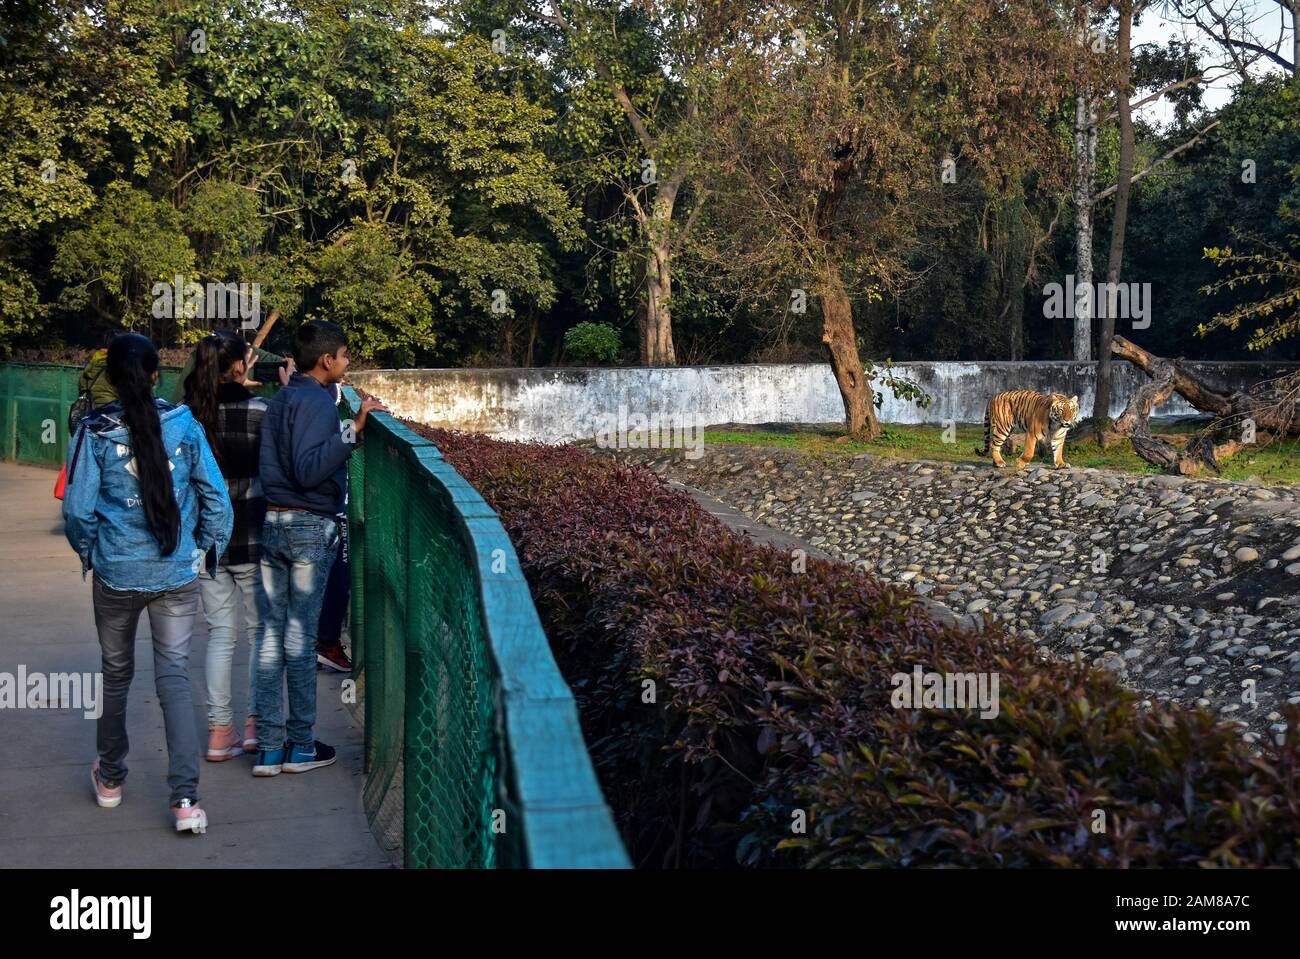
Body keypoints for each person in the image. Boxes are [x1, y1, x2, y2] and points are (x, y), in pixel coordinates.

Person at [62, 333, 233, 834]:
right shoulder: (185, 424)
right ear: (157, 373)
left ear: (111, 377)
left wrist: (91, 553)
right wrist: (202, 547)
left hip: (116, 575)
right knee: (174, 679)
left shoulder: (92, 432)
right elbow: (216, 499)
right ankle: (185, 801)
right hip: (176, 574)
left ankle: (111, 779)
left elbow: (77, 511)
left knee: (115, 676)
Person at [253, 320, 385, 776]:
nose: (348, 365)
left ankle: (270, 747)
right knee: (300, 639)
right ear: (328, 360)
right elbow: (309, 469)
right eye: (346, 356)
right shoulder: (317, 403)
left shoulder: (283, 399)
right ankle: (302, 745)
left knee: (271, 637)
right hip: (308, 526)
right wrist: (353, 430)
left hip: (272, 521)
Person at [183, 331, 269, 760]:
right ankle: (256, 725)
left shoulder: (187, 417)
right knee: (258, 634)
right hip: (254, 533)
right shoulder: (260, 412)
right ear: (239, 366)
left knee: (220, 635)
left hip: (206, 540)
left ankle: (220, 733)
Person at [314, 380, 352, 674]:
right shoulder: (321, 403)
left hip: (318, 507)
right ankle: (325, 642)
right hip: (327, 508)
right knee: (337, 576)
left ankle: (320, 642)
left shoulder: (292, 399)